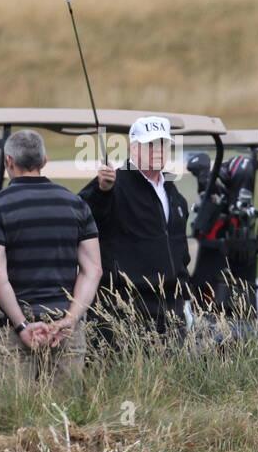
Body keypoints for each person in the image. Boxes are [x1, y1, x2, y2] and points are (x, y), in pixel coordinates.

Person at [0, 130, 102, 383]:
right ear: (44, 161)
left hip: (12, 330)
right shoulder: (75, 203)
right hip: (65, 327)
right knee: (66, 416)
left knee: (14, 416)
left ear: (9, 162)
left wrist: (22, 325)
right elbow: (93, 270)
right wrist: (69, 320)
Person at [80, 116, 190, 339]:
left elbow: (178, 245)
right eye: (150, 145)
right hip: (126, 307)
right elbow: (85, 215)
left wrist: (183, 284)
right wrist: (102, 190)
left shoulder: (172, 191)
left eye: (163, 144)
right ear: (133, 148)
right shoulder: (114, 184)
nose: (158, 150)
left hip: (170, 307)